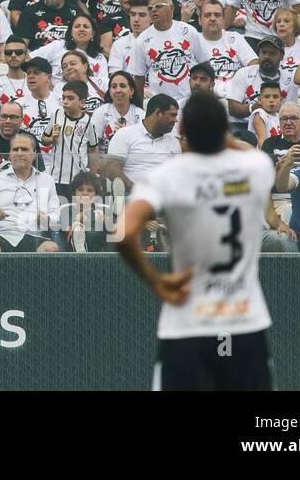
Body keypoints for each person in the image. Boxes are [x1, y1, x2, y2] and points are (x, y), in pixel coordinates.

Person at [118, 90, 276, 390]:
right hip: (243, 323)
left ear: (182, 131)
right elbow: (242, 149)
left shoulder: (168, 176)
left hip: (187, 325)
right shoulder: (256, 167)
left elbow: (124, 233)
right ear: (225, 130)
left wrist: (155, 280)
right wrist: (221, 136)